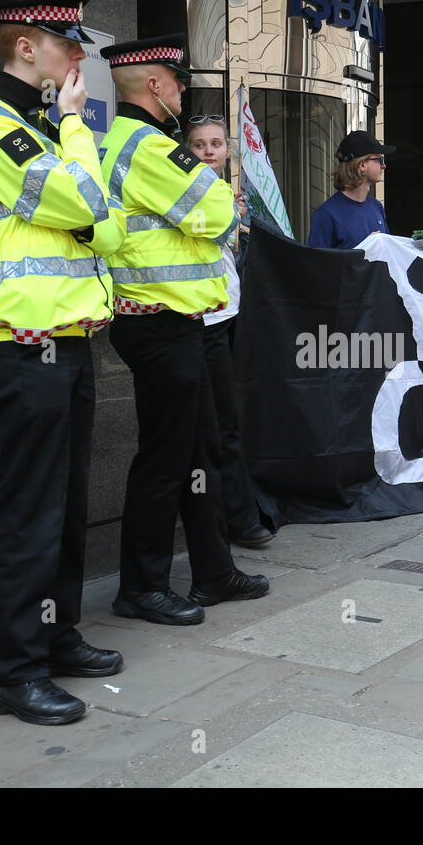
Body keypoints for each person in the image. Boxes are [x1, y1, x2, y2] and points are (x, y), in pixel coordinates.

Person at [0, 0, 125, 725]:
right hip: (25, 342)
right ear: (26, 47)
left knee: (67, 500)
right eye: (66, 42)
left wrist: (76, 170)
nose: (79, 54)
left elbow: (107, 229)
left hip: (68, 337)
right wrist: (78, 128)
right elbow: (86, 206)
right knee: (29, 508)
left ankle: (56, 636)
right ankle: (13, 674)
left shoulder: (37, 129)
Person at [99, 32, 269, 627]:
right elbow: (220, 212)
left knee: (196, 451)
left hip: (168, 320)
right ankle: (141, 586)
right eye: (177, 81)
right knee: (166, 459)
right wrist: (215, 212)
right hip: (160, 322)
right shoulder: (148, 147)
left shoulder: (122, 142)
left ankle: (213, 570)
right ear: (154, 84)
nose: (181, 91)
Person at [184, 116, 273, 546]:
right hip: (202, 319)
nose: (208, 151)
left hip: (227, 313)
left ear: (228, 151)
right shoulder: (190, 190)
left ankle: (234, 515)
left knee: (227, 422)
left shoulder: (229, 194)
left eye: (216, 143)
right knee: (216, 426)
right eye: (199, 144)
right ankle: (231, 520)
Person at [307, 131, 392, 249]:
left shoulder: (376, 207)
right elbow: (316, 260)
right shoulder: (326, 214)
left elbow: (388, 250)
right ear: (362, 165)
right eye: (380, 160)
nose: (384, 166)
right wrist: (365, 248)